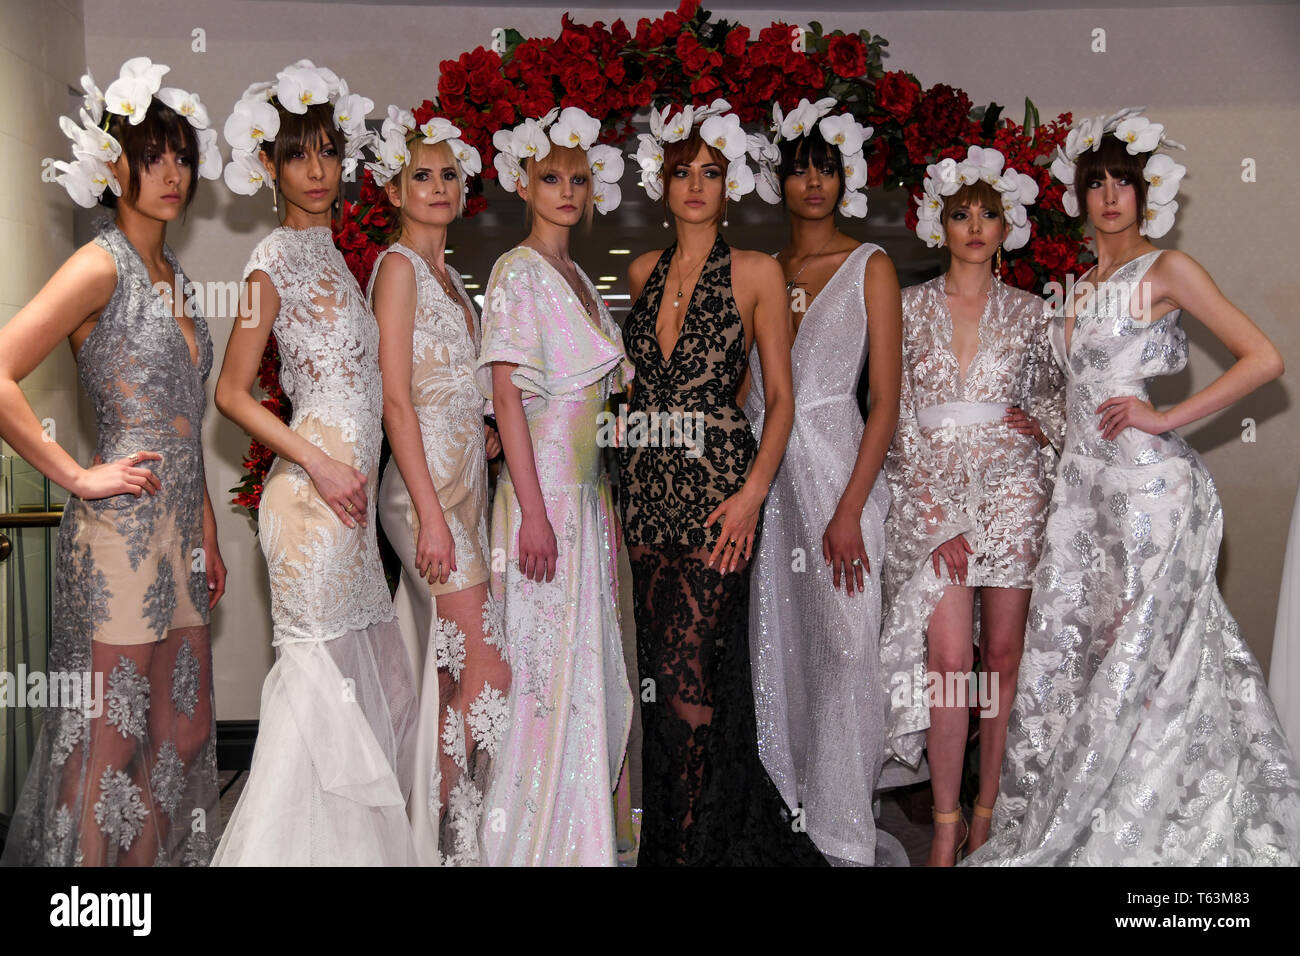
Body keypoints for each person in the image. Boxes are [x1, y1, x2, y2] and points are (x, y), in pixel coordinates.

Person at [965, 110, 1300, 865]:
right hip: (1081, 499)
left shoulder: (1165, 271)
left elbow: (1265, 359)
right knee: (1087, 659)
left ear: (1147, 195)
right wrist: (1047, 427)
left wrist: (1167, 415)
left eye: (1125, 181)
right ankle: (1105, 806)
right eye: (1098, 183)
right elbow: (1081, 391)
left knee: (1144, 653)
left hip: (1150, 493)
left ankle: (1155, 825)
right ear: (1079, 196)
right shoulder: (1080, 281)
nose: (1111, 195)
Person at [0, 58, 225, 866]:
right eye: (151, 154)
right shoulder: (100, 265)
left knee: (185, 729)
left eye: (182, 156)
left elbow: (185, 421)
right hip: (119, 536)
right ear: (113, 166)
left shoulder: (181, 280)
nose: (171, 173)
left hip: (178, 534)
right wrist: (76, 474)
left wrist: (205, 527)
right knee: (113, 742)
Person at [211, 62, 418, 865]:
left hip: (349, 515)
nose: (319, 169)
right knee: (324, 710)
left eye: (329, 151)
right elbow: (233, 392)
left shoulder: (334, 257)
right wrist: (318, 466)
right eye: (300, 154)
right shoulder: (270, 261)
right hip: (310, 507)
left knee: (389, 694)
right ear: (270, 165)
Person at [621, 102, 826, 865]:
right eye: (683, 172)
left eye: (711, 172)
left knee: (693, 685)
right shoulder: (641, 272)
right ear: (664, 185)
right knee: (661, 684)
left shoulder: (758, 272)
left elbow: (782, 401)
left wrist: (751, 496)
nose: (697, 185)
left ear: (730, 182)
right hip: (647, 496)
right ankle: (673, 844)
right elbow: (636, 393)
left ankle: (695, 849)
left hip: (720, 496)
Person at [880, 146, 1061, 865]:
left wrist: (1041, 424)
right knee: (951, 658)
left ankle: (990, 814)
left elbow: (1061, 404)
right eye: (962, 214)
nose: (976, 226)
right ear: (939, 223)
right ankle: (945, 823)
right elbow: (891, 417)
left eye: (989, 213)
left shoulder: (1034, 312)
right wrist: (936, 519)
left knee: (1004, 656)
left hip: (1016, 491)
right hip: (936, 498)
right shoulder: (905, 305)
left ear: (1007, 223)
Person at [743, 100, 904, 865]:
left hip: (840, 478)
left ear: (846, 176)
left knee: (845, 650)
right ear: (779, 179)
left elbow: (886, 404)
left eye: (826, 166)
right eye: (799, 166)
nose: (813, 180)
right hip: (771, 492)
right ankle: (791, 815)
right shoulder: (760, 271)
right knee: (780, 651)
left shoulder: (871, 264)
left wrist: (850, 509)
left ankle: (845, 831)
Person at [477, 108, 632, 865]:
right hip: (544, 503)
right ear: (522, 183)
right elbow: (507, 396)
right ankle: (531, 846)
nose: (567, 191)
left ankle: (582, 837)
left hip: (586, 501)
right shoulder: (516, 271)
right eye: (551, 177)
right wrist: (533, 513)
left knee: (583, 671)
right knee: (541, 678)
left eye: (578, 178)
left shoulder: (582, 280)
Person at [367, 110, 507, 866]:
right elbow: (395, 402)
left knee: (458, 674)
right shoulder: (397, 269)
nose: (438, 185)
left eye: (450, 173)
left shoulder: (455, 280)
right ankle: (456, 843)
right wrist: (427, 514)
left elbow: (453, 390)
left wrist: (484, 433)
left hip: (467, 490)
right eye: (422, 173)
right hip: (421, 498)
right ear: (395, 187)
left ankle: (449, 838)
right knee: (487, 672)